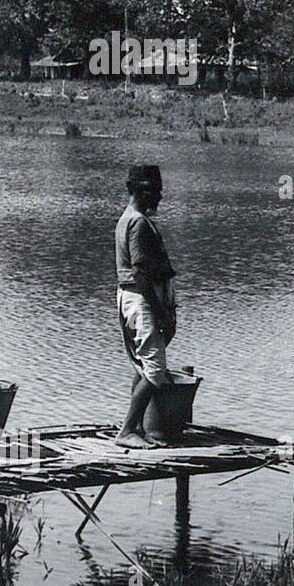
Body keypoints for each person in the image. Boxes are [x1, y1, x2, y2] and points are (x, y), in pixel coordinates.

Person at [114, 164, 178, 448]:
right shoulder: (138, 222)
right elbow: (140, 273)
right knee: (155, 370)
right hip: (141, 301)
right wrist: (161, 311)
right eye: (156, 192)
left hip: (133, 299)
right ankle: (127, 430)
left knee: (143, 366)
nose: (160, 198)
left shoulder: (128, 218)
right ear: (143, 191)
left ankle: (136, 427)